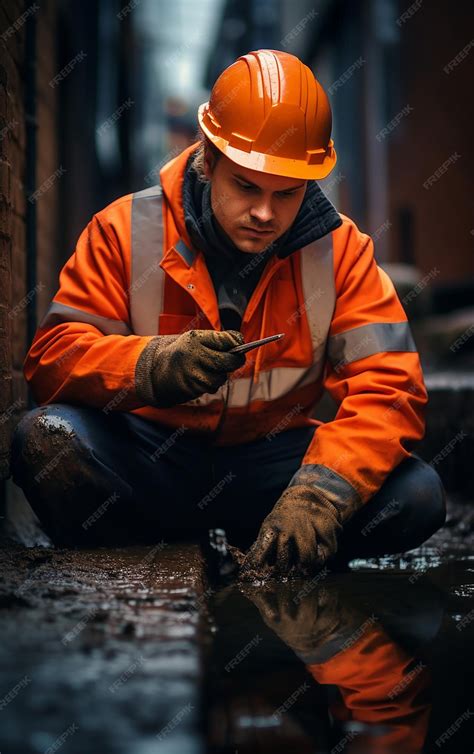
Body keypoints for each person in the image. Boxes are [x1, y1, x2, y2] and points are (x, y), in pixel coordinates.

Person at [11, 49, 445, 571]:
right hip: (151, 459)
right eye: (246, 186)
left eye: (286, 194)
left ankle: (281, 546)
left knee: (418, 494)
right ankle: (151, 553)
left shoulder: (341, 252)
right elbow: (51, 362)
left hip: (268, 470)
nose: (264, 213)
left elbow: (391, 391)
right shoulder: (124, 230)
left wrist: (319, 496)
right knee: (47, 440)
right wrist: (150, 367)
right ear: (207, 159)